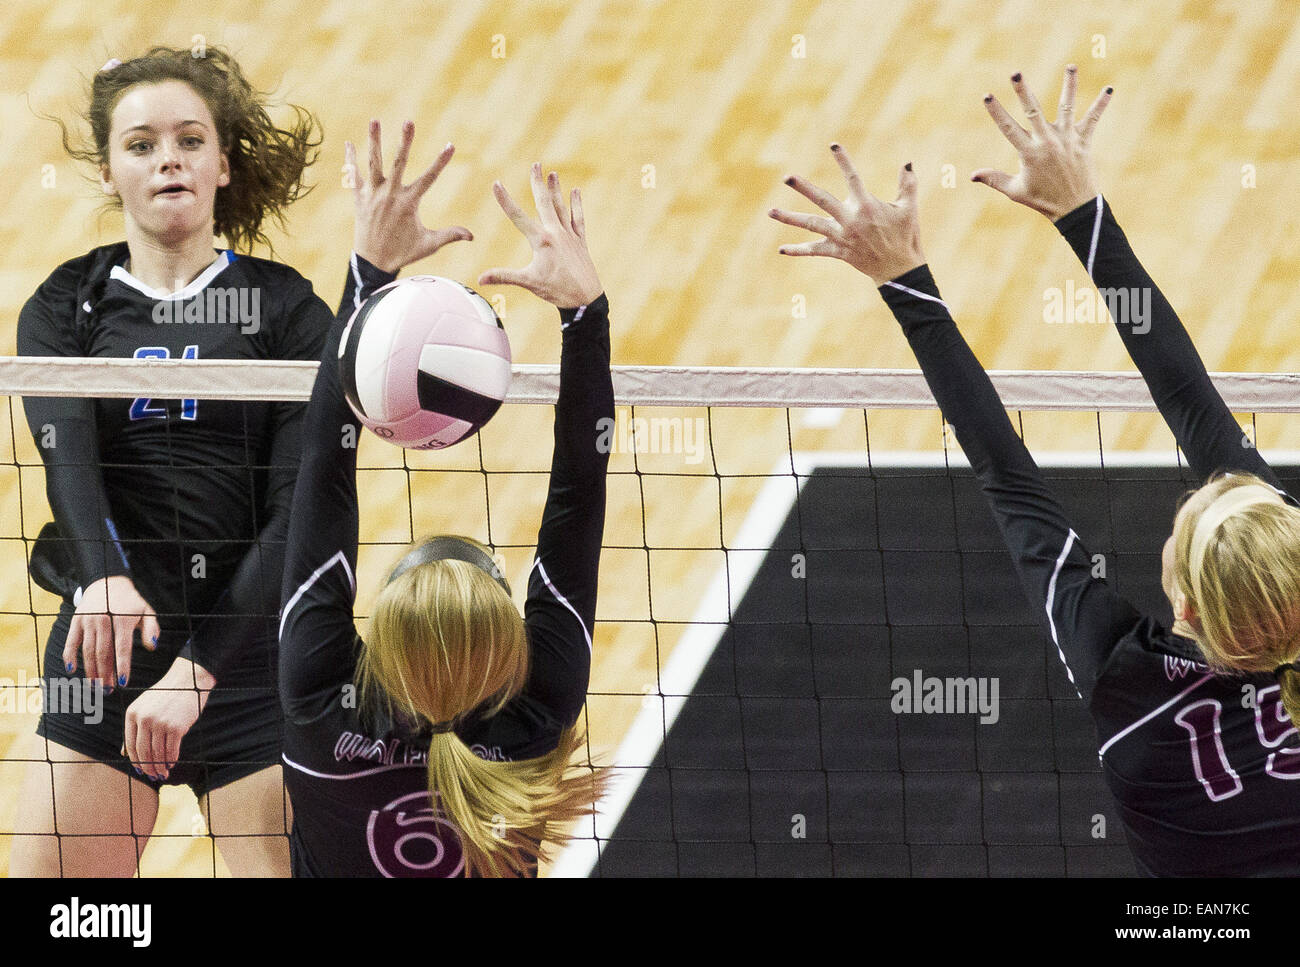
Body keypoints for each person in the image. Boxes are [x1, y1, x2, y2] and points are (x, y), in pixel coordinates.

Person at [769, 66, 1300, 876]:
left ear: (1184, 597)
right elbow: (1039, 458)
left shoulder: (1132, 699)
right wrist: (1071, 220)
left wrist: (918, 272)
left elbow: (1021, 479)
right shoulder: (1131, 670)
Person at [14, 46, 330, 876]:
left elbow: (301, 508)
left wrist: (200, 671)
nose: (168, 161)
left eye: (190, 140)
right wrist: (101, 573)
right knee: (65, 916)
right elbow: (65, 458)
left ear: (223, 164)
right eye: (142, 144)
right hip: (106, 659)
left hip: (254, 660)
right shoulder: (65, 306)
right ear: (110, 168)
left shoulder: (287, 311)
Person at [277, 120, 609, 877]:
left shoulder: (321, 703)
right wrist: (584, 315)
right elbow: (578, 496)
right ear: (508, 651)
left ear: (381, 645)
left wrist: (370, 272)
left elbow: (320, 467)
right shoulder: (533, 722)